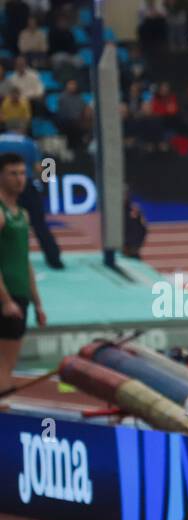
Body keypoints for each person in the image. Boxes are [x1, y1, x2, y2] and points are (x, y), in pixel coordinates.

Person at [0, 152, 46, 393]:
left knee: (8, 365)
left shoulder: (22, 214)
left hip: (19, 296)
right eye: (12, 174)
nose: (19, 179)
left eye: (22, 173)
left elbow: (25, 260)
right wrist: (6, 300)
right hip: (5, 297)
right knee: (4, 367)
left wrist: (37, 303)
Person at [0, 117, 61, 268]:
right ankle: (54, 259)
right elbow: (40, 168)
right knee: (39, 223)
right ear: (22, 129)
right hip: (25, 186)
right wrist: (47, 180)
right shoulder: (29, 143)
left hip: (3, 187)